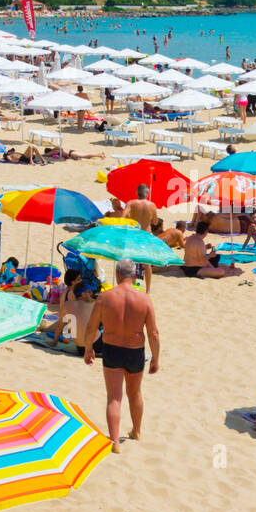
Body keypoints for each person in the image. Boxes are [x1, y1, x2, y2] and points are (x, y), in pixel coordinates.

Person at [83, 258, 160, 453]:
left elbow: (92, 326)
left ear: (117, 275)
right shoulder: (144, 299)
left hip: (112, 349)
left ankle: (115, 442)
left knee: (114, 398)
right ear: (134, 275)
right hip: (135, 351)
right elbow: (153, 333)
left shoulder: (105, 297)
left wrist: (88, 348)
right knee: (135, 394)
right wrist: (156, 358)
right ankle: (136, 431)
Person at [45, 267, 103, 353]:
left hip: (80, 349)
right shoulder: (89, 303)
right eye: (89, 292)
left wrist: (54, 342)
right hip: (95, 345)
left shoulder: (67, 302)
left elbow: (59, 327)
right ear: (83, 294)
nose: (91, 293)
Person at [125, 183, 159, 292]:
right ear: (147, 193)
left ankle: (133, 286)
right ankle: (148, 290)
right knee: (147, 263)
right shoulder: (152, 205)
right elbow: (155, 222)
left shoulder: (131, 203)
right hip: (146, 235)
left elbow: (124, 216)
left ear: (136, 192)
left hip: (134, 234)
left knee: (132, 262)